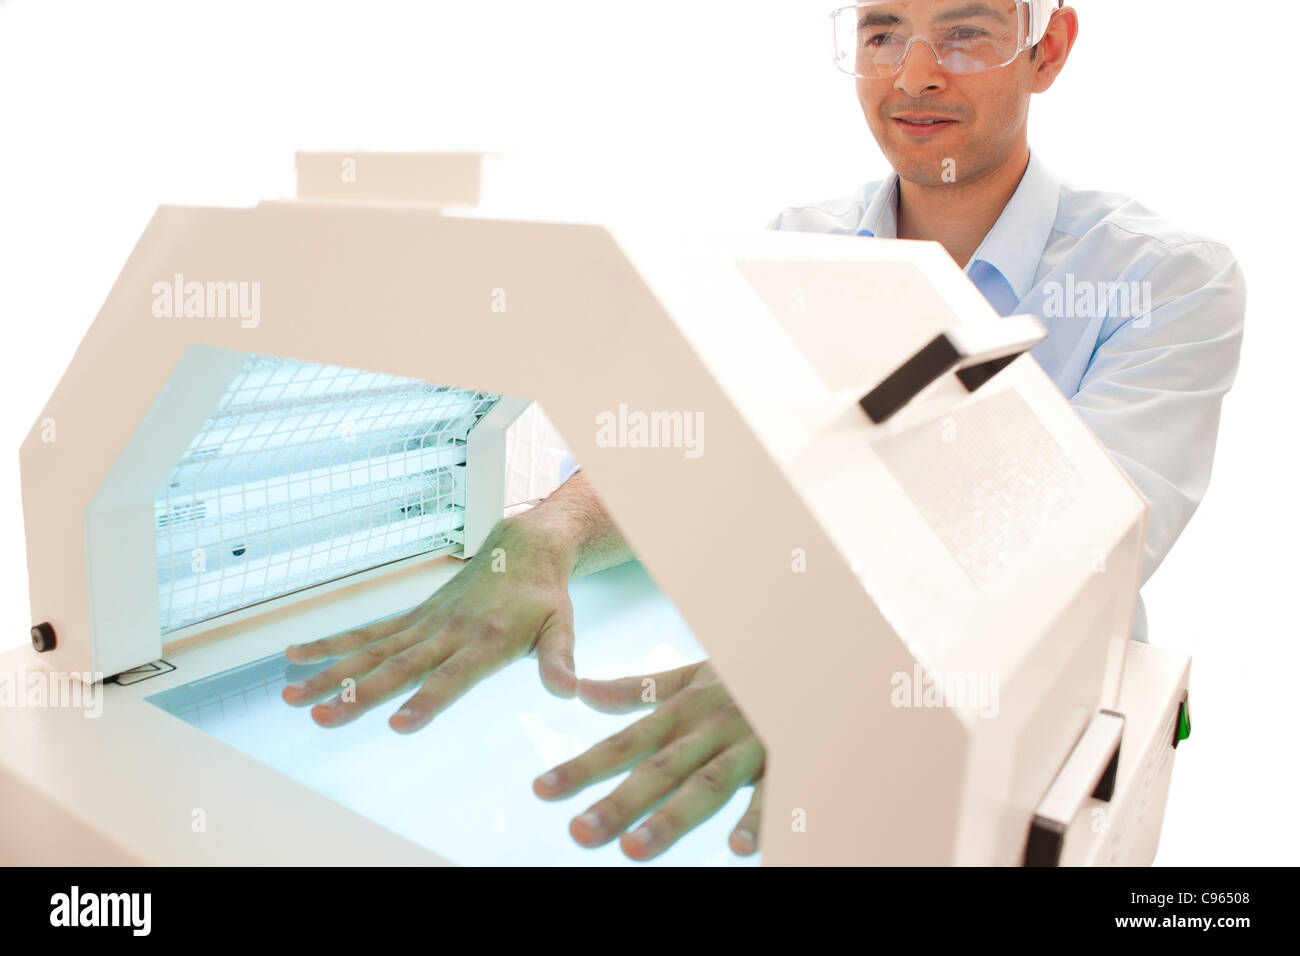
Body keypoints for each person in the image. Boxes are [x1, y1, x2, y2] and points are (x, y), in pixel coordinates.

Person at [281, 0, 1245, 862]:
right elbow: (688, 437)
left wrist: (832, 670)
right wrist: (551, 530)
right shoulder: (797, 243)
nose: (915, 73)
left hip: (1039, 734)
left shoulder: (1164, 280)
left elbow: (1094, 541)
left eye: (965, 31)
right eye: (882, 33)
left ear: (1049, 46)